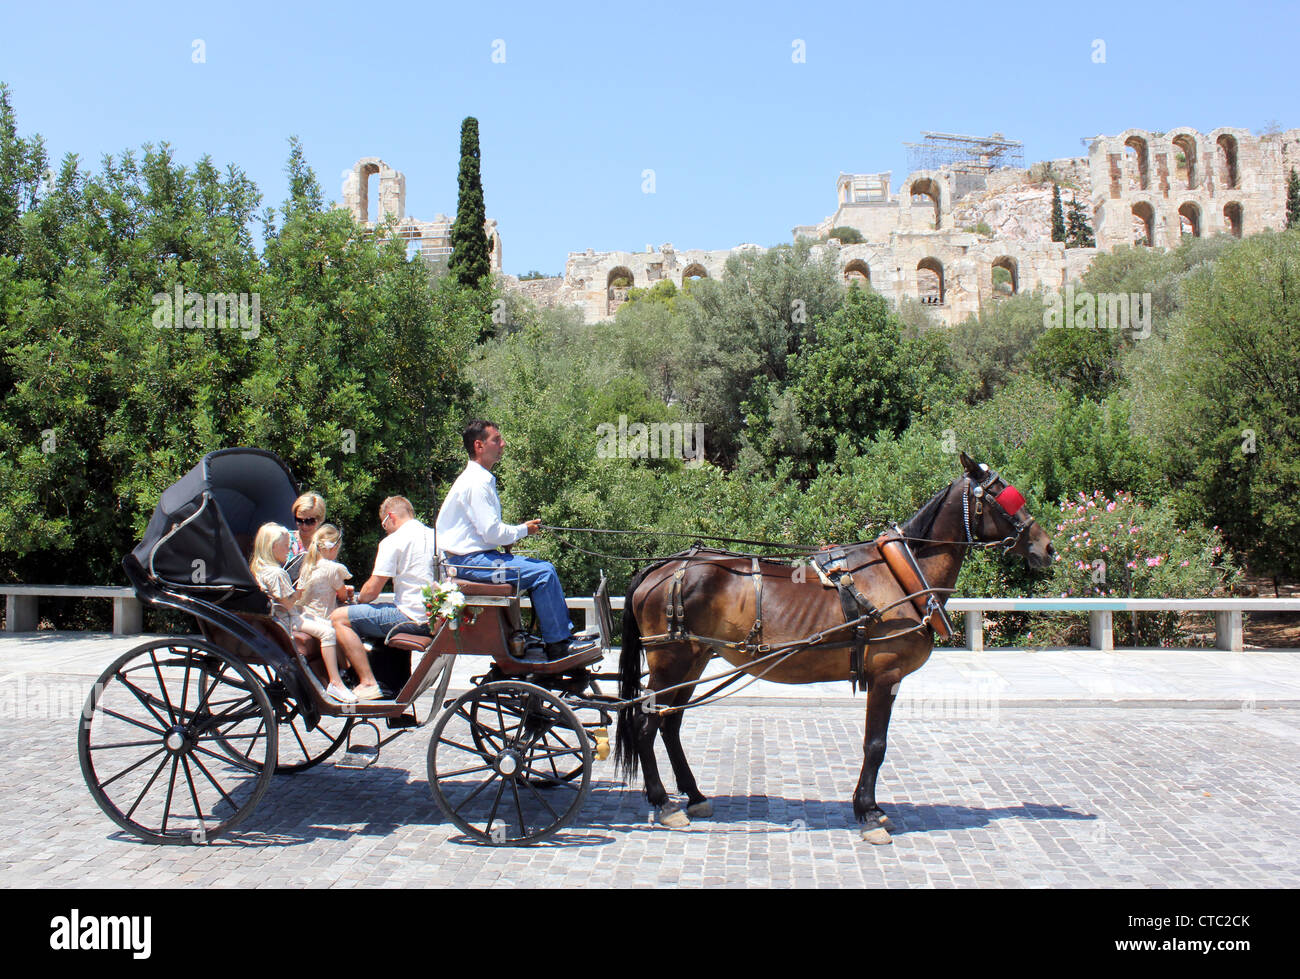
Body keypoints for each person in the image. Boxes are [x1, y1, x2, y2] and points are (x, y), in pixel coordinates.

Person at [436, 420, 598, 661]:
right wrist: (524, 530)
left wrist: (509, 537)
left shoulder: (477, 479)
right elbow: (492, 532)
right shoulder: (476, 483)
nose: (503, 444)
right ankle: (558, 644)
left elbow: (485, 532)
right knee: (543, 573)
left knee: (541, 570)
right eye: (496, 440)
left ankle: (550, 637)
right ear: (479, 446)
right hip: (469, 562)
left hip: (473, 558)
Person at [330, 495, 435, 699]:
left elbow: (372, 591)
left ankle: (368, 682)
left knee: (339, 618)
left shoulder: (393, 541)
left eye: (384, 525)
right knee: (379, 611)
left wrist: (356, 601)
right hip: (431, 616)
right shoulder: (434, 536)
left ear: (390, 516)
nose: (385, 529)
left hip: (409, 615)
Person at [293, 523, 357, 704]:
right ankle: (342, 676)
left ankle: (344, 673)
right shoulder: (333, 569)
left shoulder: (308, 566)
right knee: (340, 627)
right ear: (334, 547)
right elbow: (343, 596)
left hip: (305, 614)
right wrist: (346, 591)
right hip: (323, 616)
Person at [249, 523, 301, 636]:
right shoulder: (277, 573)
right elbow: (288, 604)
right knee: (328, 632)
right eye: (286, 545)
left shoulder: (256, 570)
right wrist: (300, 591)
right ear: (272, 546)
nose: (289, 549)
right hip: (286, 621)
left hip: (270, 620)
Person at [284, 492, 326, 584]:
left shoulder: (326, 545)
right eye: (299, 520)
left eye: (310, 521)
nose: (304, 526)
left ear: (320, 520)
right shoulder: (284, 540)